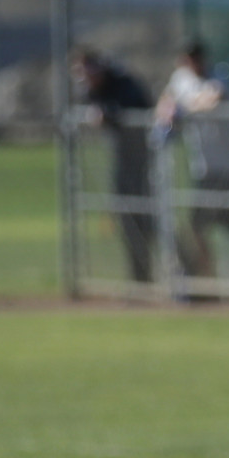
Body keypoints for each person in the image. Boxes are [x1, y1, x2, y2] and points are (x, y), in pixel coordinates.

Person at [155, 40, 229, 278]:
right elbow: (165, 102)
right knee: (198, 226)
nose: (191, 65)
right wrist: (168, 111)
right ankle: (208, 277)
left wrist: (184, 108)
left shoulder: (219, 76)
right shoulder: (181, 79)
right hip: (205, 169)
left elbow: (212, 98)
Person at [72, 48, 156, 283]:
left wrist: (108, 115)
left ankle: (186, 276)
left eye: (87, 71)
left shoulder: (122, 82)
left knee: (154, 223)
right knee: (129, 223)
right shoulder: (92, 91)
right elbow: (88, 103)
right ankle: (141, 279)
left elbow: (131, 107)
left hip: (144, 162)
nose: (85, 80)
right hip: (122, 164)